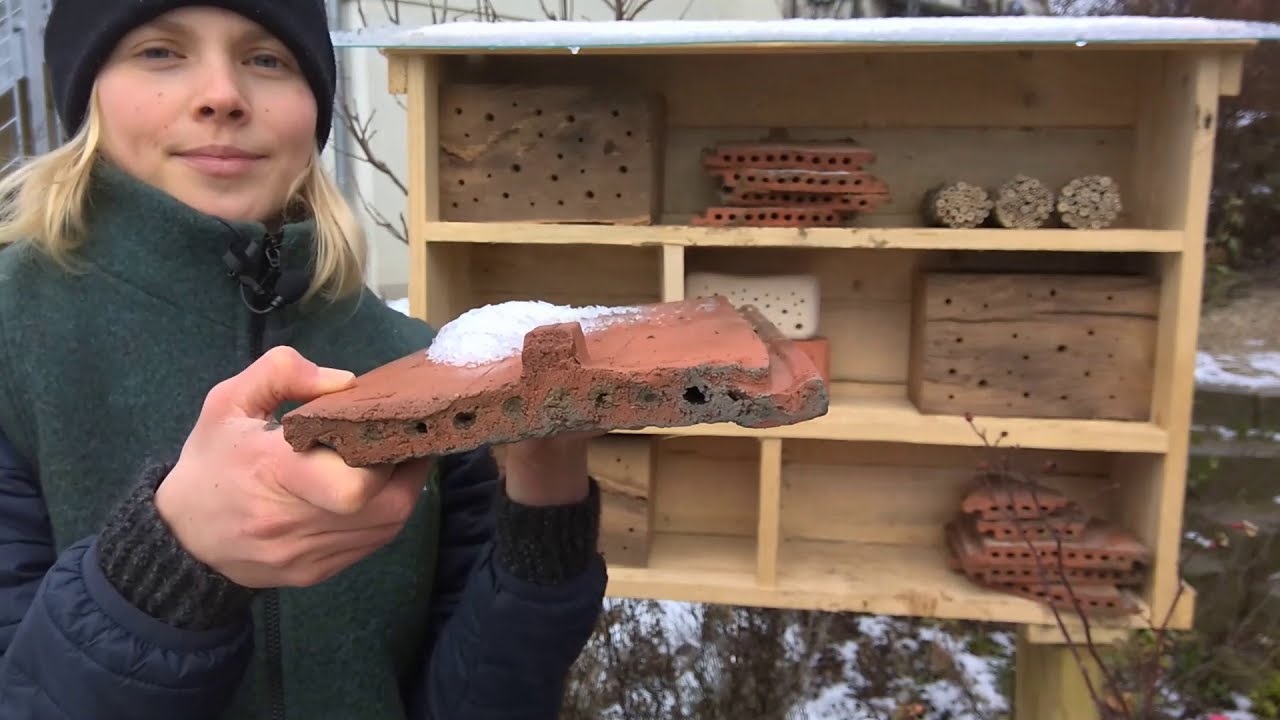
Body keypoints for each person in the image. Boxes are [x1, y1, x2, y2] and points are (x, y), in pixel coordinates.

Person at [0, 1, 609, 718]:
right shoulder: (16, 341)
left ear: (313, 104)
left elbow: (480, 698)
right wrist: (171, 563)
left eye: (267, 59)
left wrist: (546, 496)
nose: (222, 96)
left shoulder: (411, 359)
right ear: (88, 91)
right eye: (160, 52)